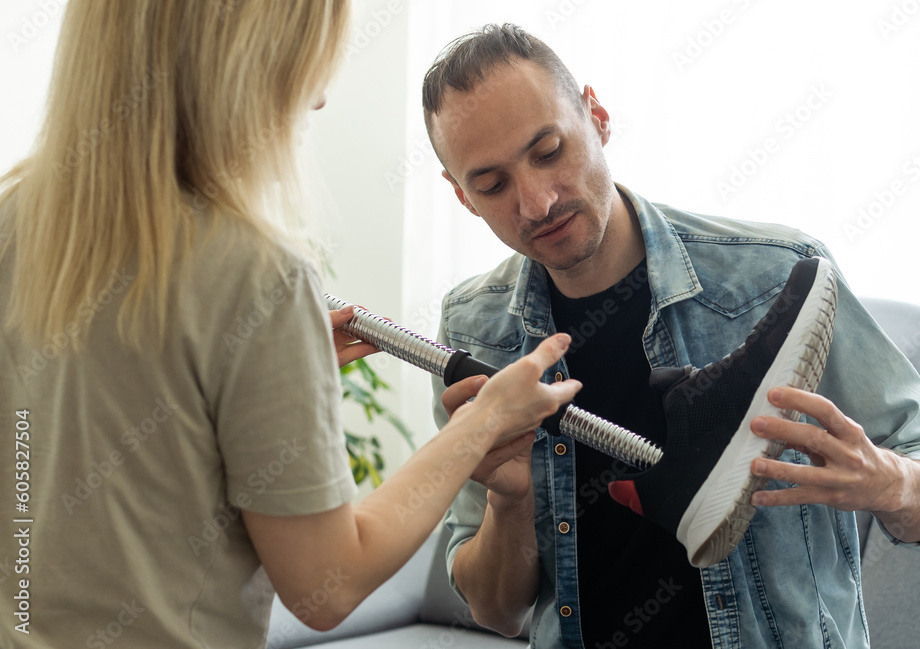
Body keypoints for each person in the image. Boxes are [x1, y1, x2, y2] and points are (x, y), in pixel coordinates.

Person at [0, 5, 582, 649]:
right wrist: (483, 423)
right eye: (308, 54)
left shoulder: (16, 219)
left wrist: (259, 382)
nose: (323, 95)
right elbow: (325, 586)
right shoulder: (255, 270)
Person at [423, 23, 920, 649]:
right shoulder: (474, 327)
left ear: (597, 117)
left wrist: (891, 482)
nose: (535, 202)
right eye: (492, 185)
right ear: (462, 196)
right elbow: (497, 612)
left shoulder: (779, 278)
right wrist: (510, 502)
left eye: (549, 151)